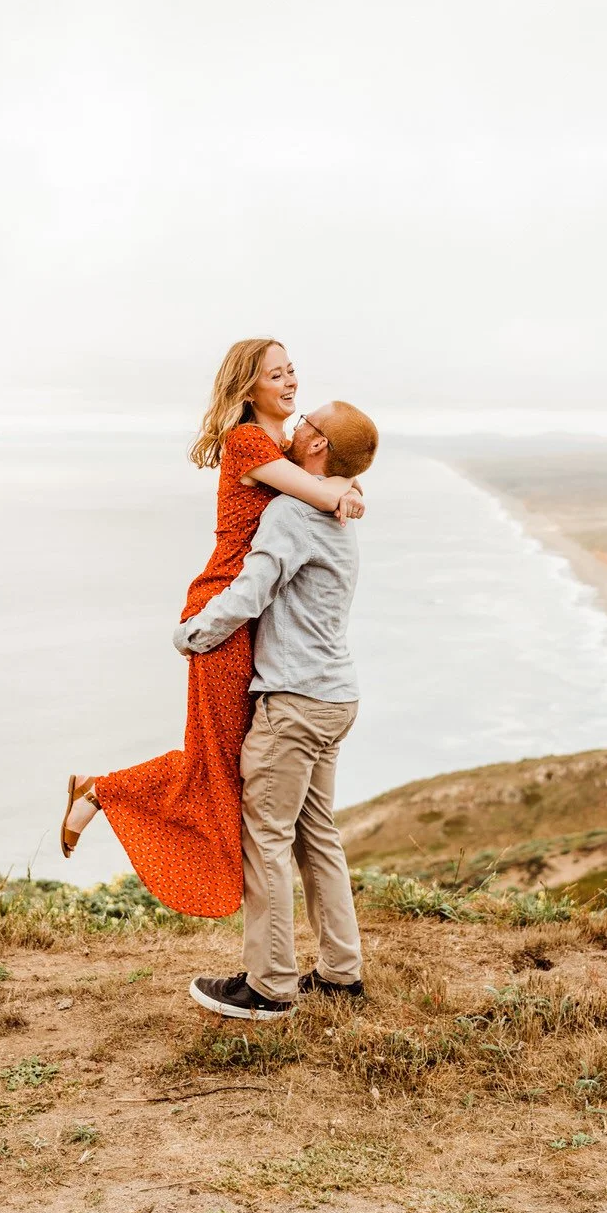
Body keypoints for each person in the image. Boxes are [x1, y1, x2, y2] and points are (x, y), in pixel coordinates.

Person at [59, 339, 365, 919]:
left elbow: (325, 484)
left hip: (244, 620)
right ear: (249, 388)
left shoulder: (282, 447)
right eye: (276, 375)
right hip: (222, 613)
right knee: (217, 765)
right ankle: (101, 791)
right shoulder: (247, 441)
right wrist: (345, 489)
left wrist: (346, 486)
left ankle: (100, 789)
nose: (290, 383)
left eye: (292, 371)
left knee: (228, 766)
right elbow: (321, 491)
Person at [175, 401, 379, 1018]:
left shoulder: (292, 512)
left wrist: (195, 633)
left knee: (265, 836)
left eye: (305, 423)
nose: (292, 428)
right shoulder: (334, 514)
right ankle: (341, 973)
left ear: (317, 445)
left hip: (293, 702)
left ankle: (268, 987)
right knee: (317, 836)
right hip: (336, 696)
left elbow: (251, 589)